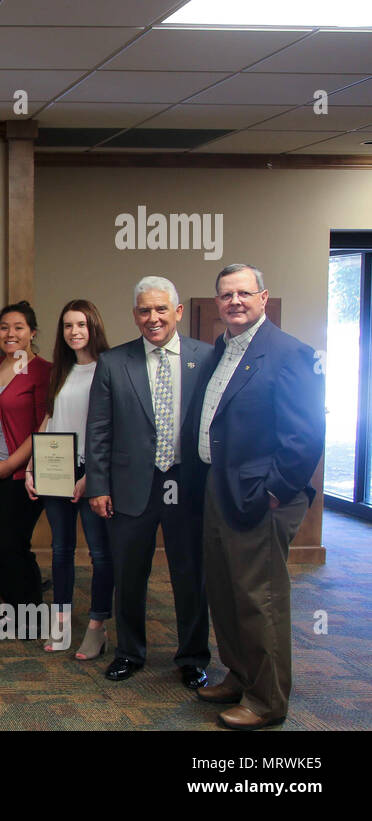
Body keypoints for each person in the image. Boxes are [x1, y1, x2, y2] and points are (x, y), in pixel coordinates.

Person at [186, 264, 323, 730]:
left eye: (244, 293)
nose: (235, 302)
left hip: (260, 497)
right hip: (220, 487)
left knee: (259, 598)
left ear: (264, 298)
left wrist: (273, 492)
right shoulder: (222, 348)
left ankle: (266, 702)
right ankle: (239, 675)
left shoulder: (290, 354)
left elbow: (305, 437)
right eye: (226, 295)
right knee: (224, 592)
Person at [85, 277, 211, 688]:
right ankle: (129, 653)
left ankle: (192, 656)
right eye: (144, 310)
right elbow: (98, 430)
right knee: (130, 574)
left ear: (176, 312)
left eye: (161, 309)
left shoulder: (206, 358)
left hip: (187, 484)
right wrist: (99, 485)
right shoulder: (113, 362)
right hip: (130, 486)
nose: (152, 318)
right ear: (135, 315)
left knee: (190, 575)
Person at [25, 300, 112, 658]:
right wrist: (32, 465)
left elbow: (114, 430)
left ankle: (96, 627)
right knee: (60, 551)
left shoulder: (110, 369)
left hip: (92, 471)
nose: (74, 332)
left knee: (99, 553)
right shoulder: (59, 371)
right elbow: (49, 420)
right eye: (67, 326)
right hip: (56, 468)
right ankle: (60, 623)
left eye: (81, 324)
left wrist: (92, 475)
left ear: (93, 327)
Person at [0, 301, 50, 608]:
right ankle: (10, 606)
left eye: (18, 327)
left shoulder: (44, 371)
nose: (10, 333)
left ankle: (30, 610)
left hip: (24, 473)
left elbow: (42, 428)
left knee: (13, 544)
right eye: (4, 327)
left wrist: (10, 465)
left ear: (32, 333)